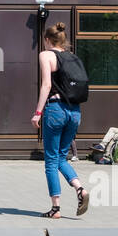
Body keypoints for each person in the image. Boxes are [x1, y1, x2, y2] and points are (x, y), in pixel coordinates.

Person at [31, 22, 89, 218]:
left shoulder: (46, 55)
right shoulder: (73, 57)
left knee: (50, 160)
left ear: (47, 40)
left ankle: (55, 209)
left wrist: (38, 112)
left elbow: (46, 85)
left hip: (55, 110)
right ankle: (80, 189)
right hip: (75, 112)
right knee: (61, 157)